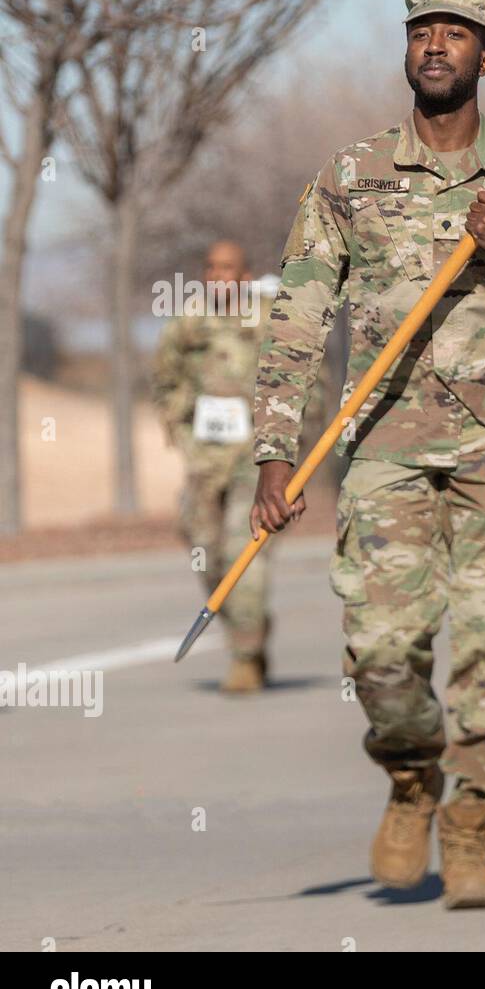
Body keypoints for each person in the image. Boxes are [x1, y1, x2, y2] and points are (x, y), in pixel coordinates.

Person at [249, 0, 485, 909]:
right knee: (384, 654)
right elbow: (296, 321)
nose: (436, 47)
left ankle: (474, 827)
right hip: (384, 453)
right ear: (407, 54)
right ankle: (411, 777)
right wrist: (275, 454)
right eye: (422, 34)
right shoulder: (348, 178)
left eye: (457, 35)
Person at [153, 241, 273, 694]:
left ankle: (246, 654)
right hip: (205, 458)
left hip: (255, 460)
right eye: (211, 268)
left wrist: (283, 447)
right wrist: (180, 431)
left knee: (246, 553)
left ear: (245, 276)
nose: (218, 276)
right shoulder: (189, 320)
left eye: (228, 269)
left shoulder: (268, 318)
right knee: (206, 549)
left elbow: (303, 381)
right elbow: (165, 378)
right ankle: (247, 628)